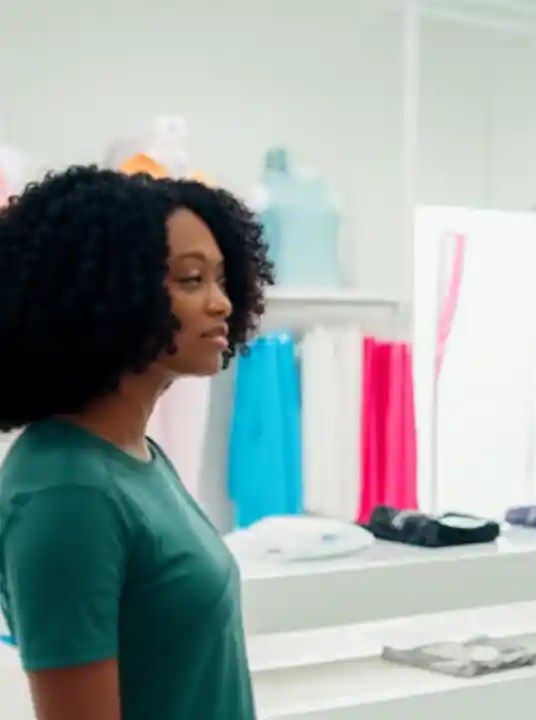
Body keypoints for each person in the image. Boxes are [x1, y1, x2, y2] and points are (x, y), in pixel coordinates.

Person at [0, 167, 273, 719]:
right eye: (191, 280)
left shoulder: (134, 457)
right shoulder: (68, 491)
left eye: (221, 279)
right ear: (106, 290)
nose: (221, 303)